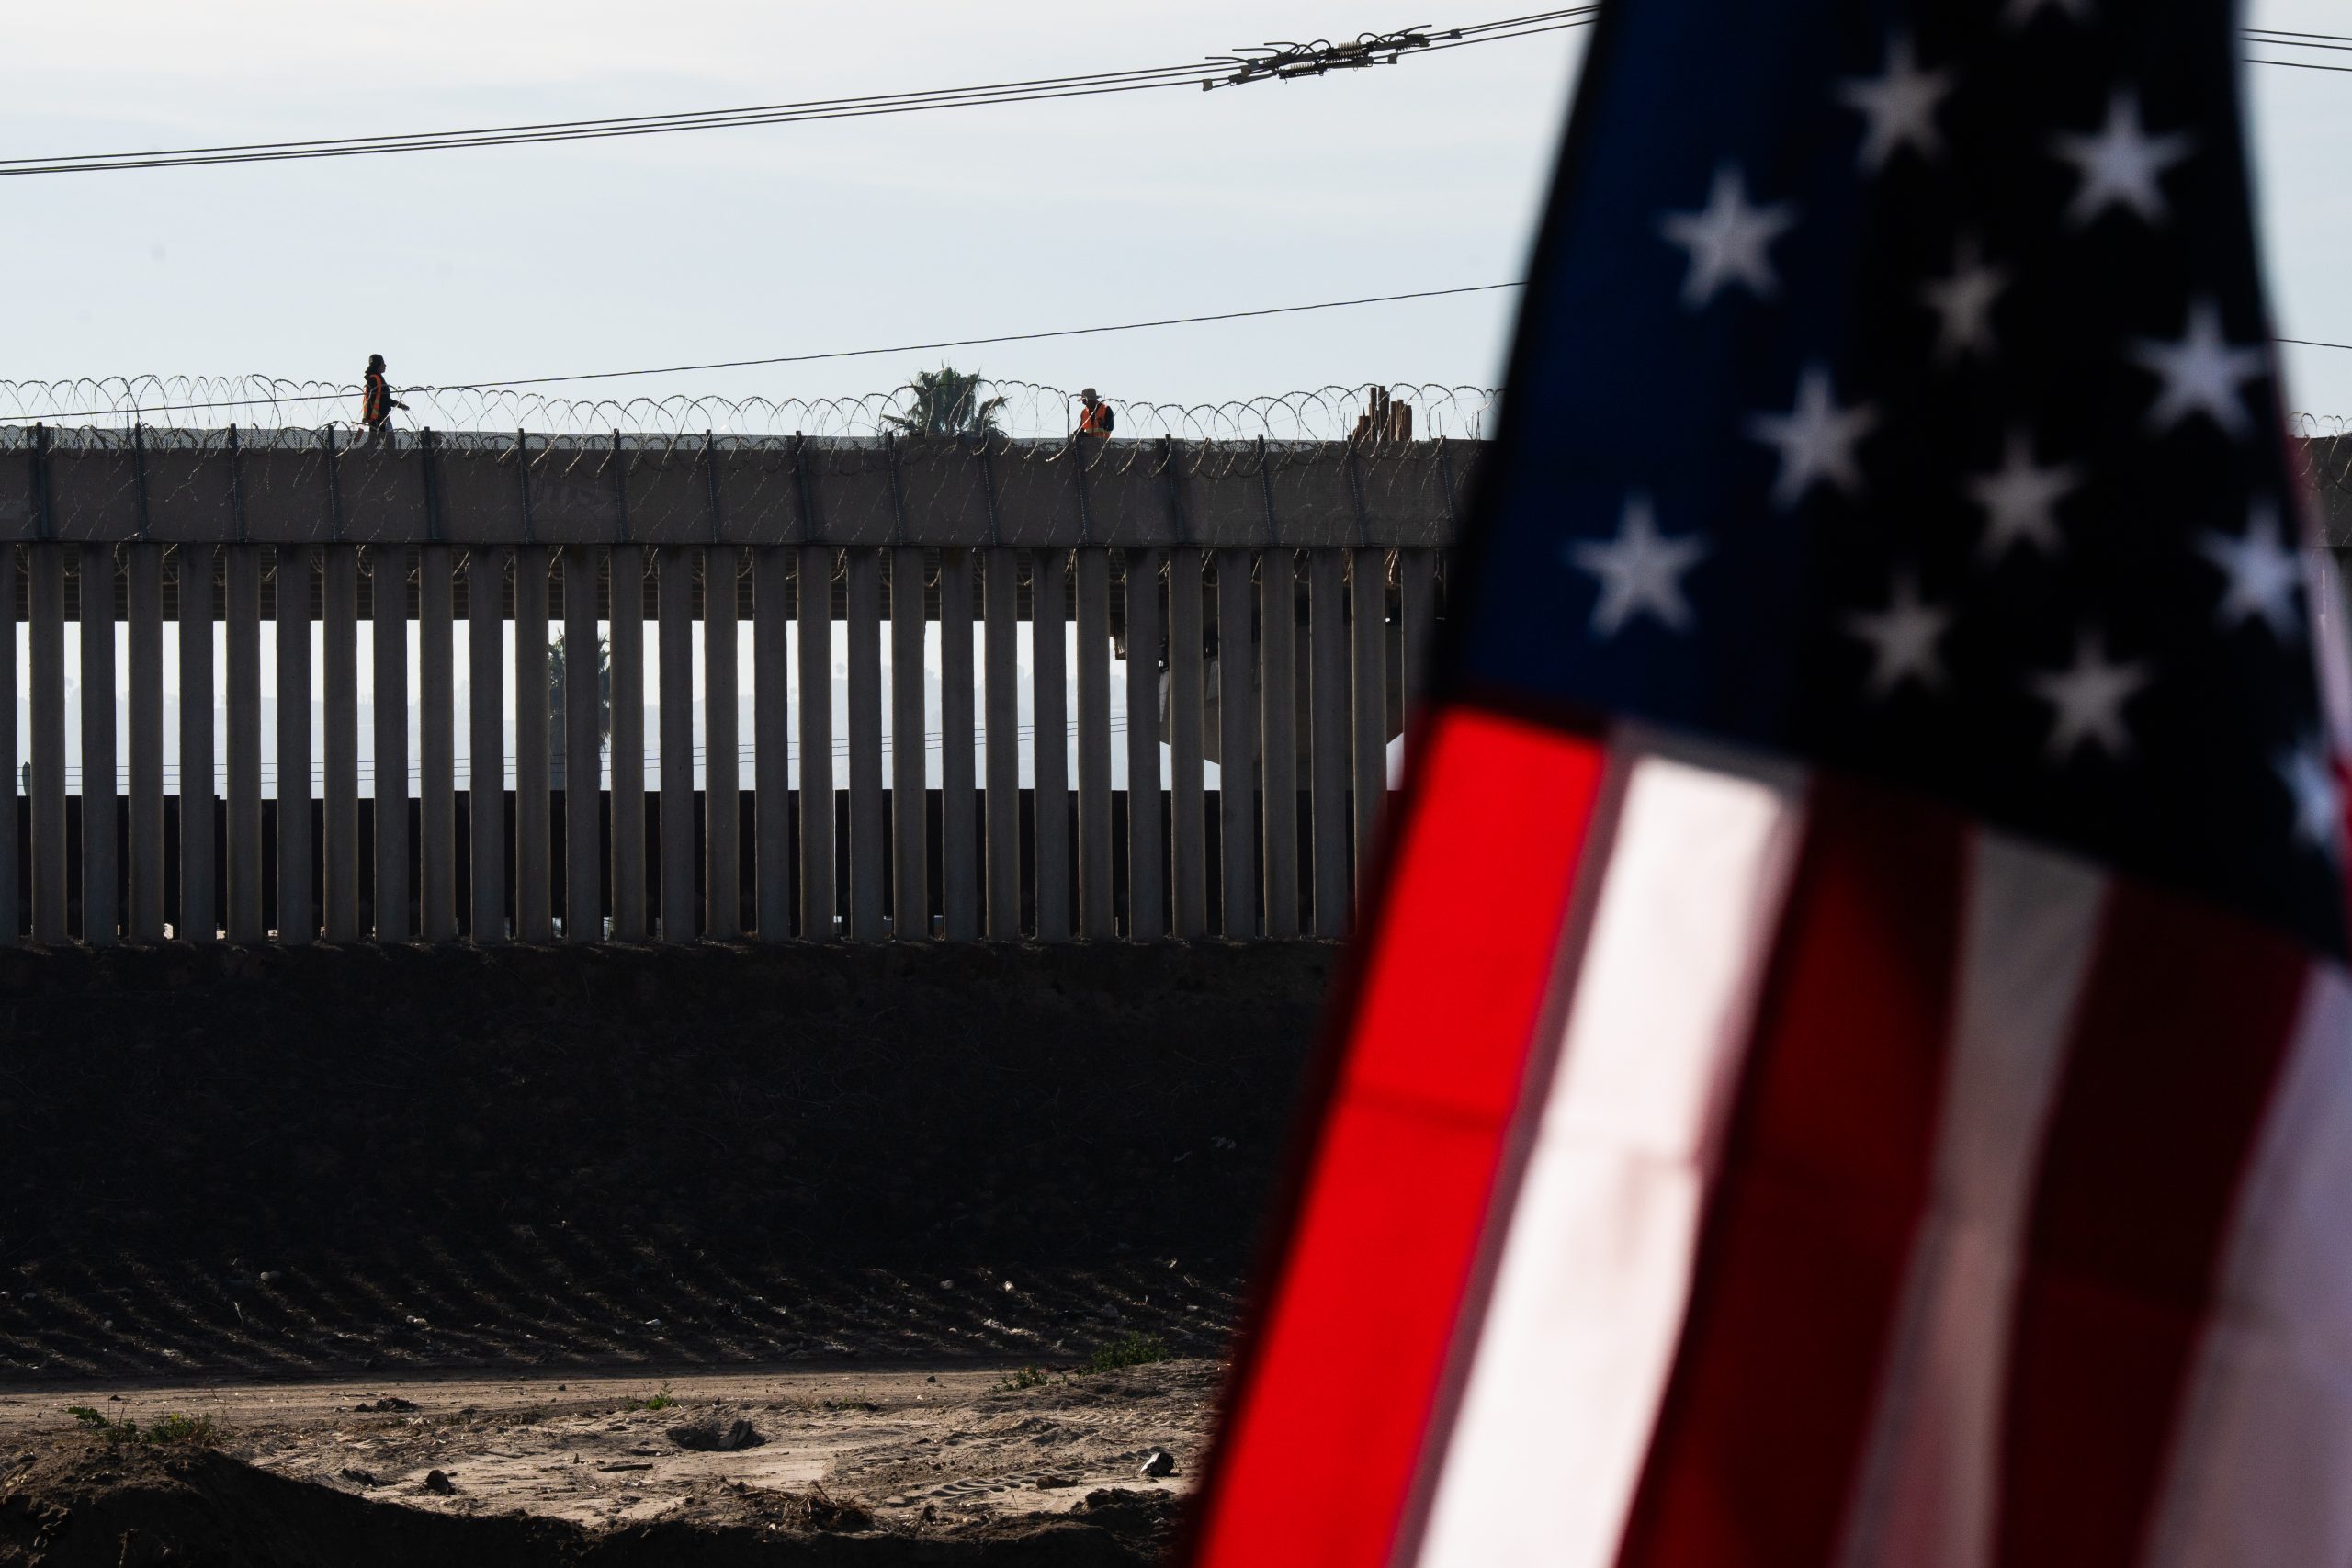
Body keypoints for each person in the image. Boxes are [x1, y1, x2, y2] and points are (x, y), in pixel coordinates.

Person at [354, 354, 407, 451]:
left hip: (380, 416)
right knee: (386, 444)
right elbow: (372, 399)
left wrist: (400, 405)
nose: (385, 365)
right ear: (377, 365)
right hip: (379, 417)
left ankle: (361, 455)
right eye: (383, 363)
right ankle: (359, 456)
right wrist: (369, 416)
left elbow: (384, 399)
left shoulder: (377, 378)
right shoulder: (375, 379)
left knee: (375, 442)